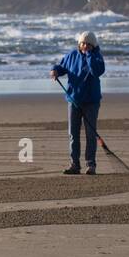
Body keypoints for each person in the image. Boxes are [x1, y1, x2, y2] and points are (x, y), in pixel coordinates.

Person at [50, 30, 106, 175]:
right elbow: (61, 67)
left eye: (88, 44)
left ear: (93, 45)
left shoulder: (97, 57)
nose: (84, 45)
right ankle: (74, 164)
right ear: (79, 43)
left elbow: (97, 71)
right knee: (73, 134)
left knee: (90, 134)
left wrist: (89, 55)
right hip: (73, 100)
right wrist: (55, 71)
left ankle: (91, 164)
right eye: (82, 43)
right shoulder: (72, 55)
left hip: (91, 102)